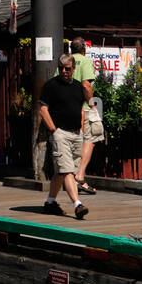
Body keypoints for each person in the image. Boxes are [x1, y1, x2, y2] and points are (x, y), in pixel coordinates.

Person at [38, 54, 90, 219]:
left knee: (63, 172)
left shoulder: (77, 86)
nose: (64, 71)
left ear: (74, 69)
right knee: (66, 170)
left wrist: (81, 127)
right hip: (60, 133)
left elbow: (82, 107)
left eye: (68, 69)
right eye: (61, 68)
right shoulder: (51, 86)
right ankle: (77, 204)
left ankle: (50, 202)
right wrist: (54, 130)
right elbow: (43, 109)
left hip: (76, 133)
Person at [70, 37, 100, 194]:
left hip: (67, 107)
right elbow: (86, 85)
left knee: (73, 141)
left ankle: (72, 177)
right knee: (91, 139)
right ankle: (79, 177)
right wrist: (92, 104)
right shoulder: (85, 61)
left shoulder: (66, 61)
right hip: (82, 106)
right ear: (84, 49)